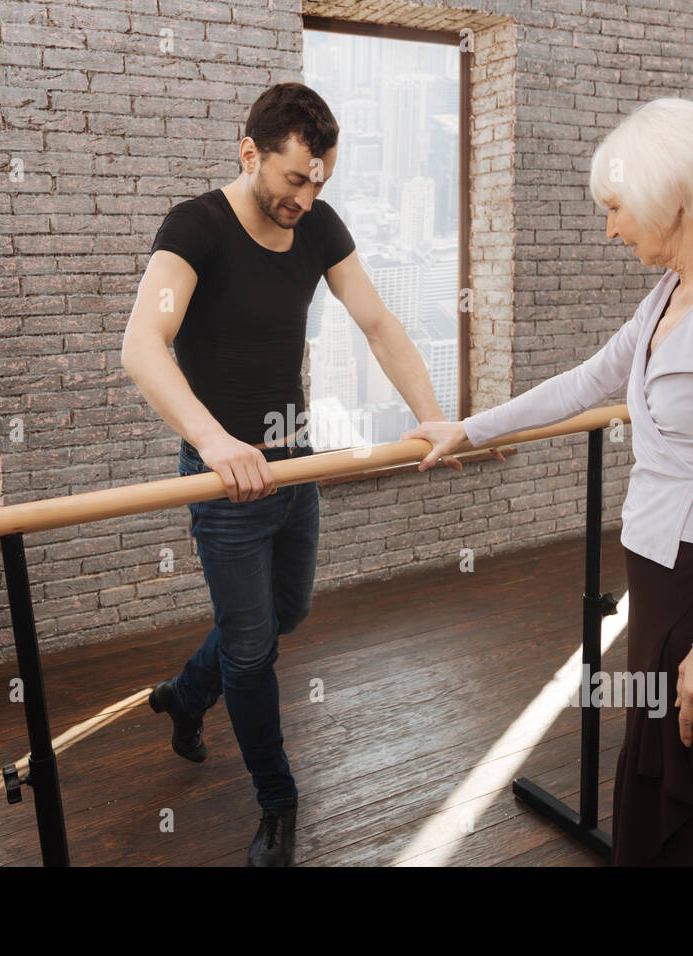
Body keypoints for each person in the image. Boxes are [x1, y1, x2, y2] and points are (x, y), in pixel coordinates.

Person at [405, 97, 693, 865]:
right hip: (659, 566)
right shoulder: (671, 291)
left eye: (618, 208)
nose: (611, 229)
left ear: (670, 194)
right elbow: (589, 378)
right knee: (664, 757)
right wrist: (470, 427)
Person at [121, 82, 460, 866]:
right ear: (250, 154)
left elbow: (378, 322)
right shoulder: (194, 229)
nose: (305, 197)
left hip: (295, 466)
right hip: (225, 483)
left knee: (283, 619)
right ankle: (278, 804)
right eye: (294, 178)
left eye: (320, 182)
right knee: (251, 649)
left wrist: (434, 414)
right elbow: (144, 343)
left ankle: (184, 694)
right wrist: (213, 443)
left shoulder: (316, 226)